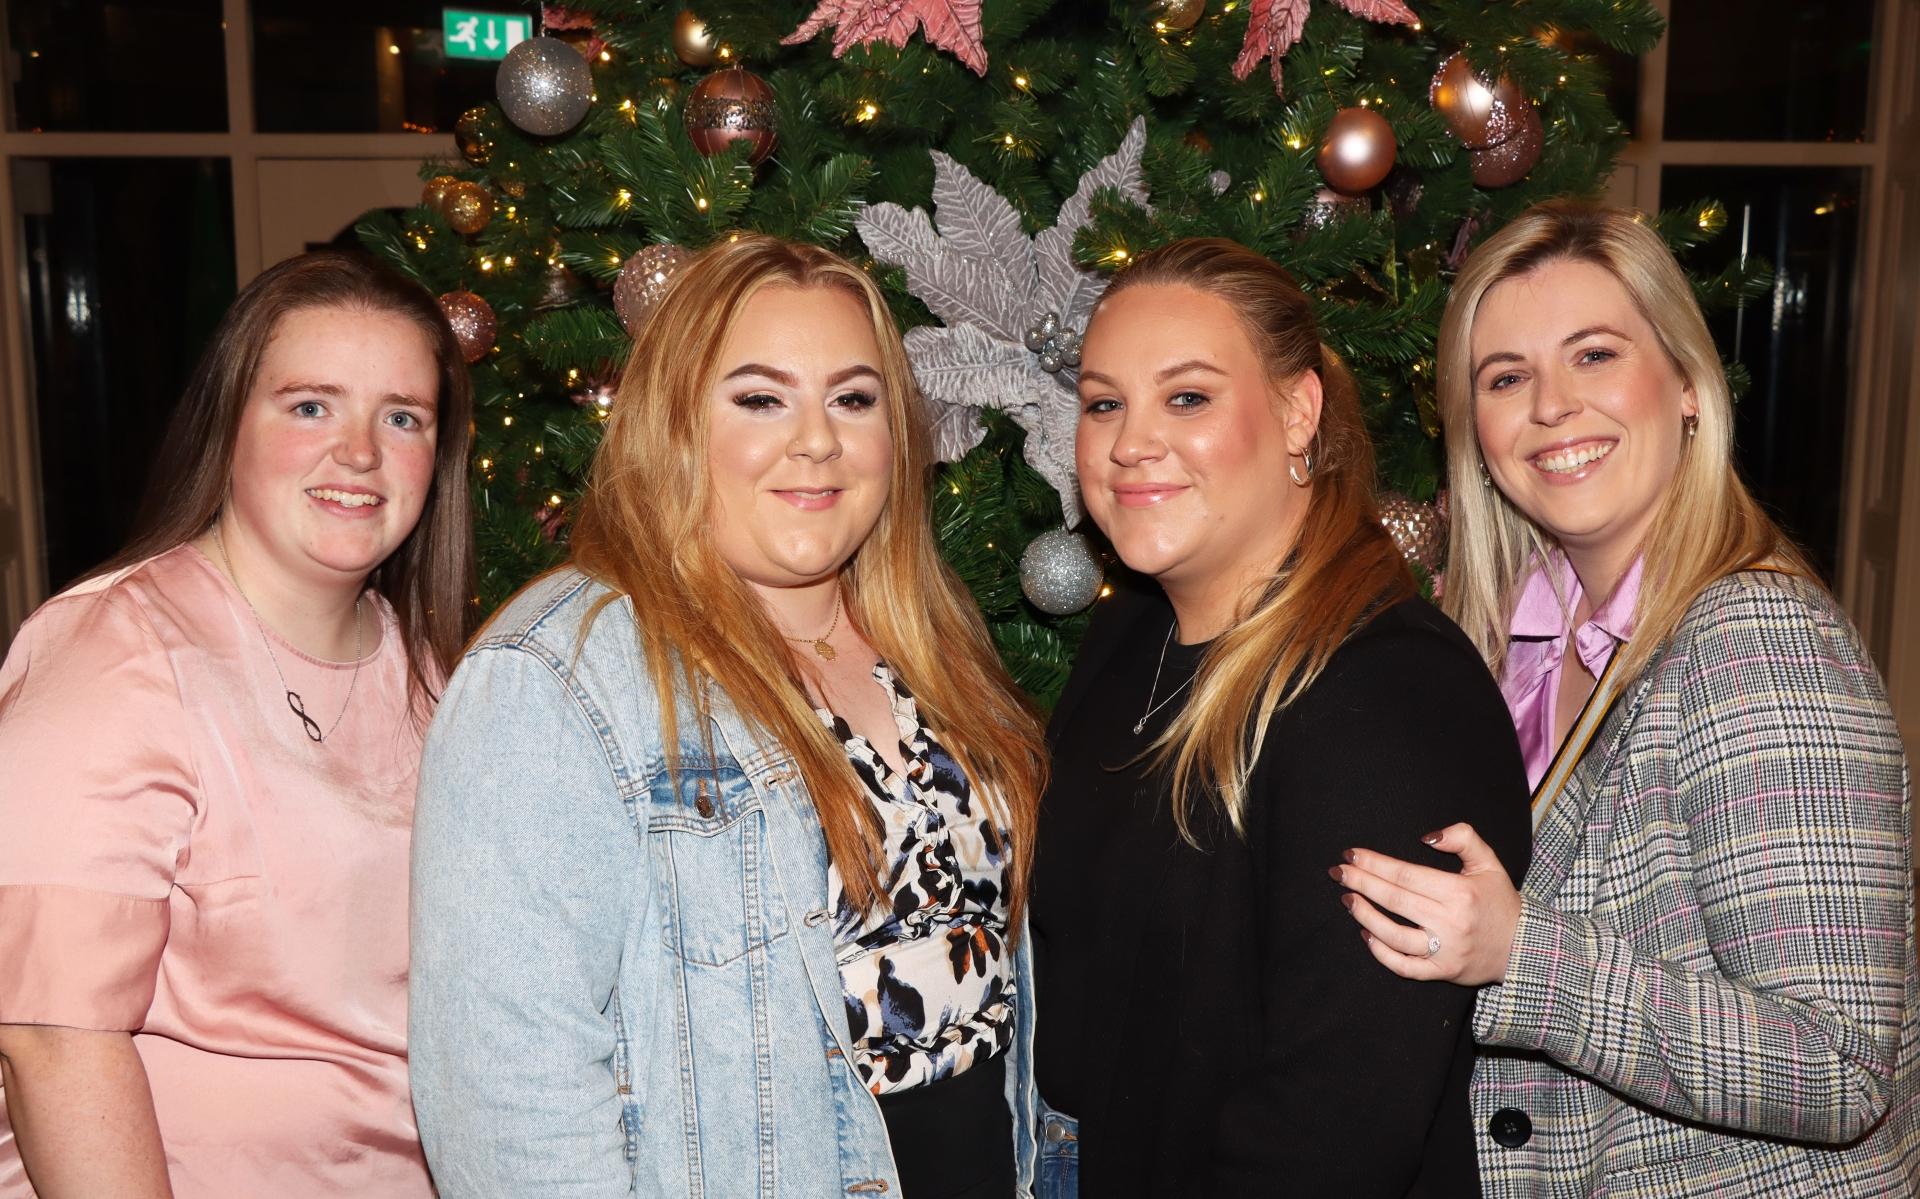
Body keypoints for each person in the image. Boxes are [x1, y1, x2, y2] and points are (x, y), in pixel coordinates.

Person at [408, 234, 1047, 1198]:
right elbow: (509, 1110)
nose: (818, 440)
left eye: (853, 398)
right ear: (674, 423)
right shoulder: (555, 676)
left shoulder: (935, 642)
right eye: (760, 398)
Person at [1335, 201, 1920, 1196]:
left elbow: (1838, 1063)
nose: (1552, 406)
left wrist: (1523, 955)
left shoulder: (1756, 640)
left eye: (1595, 354)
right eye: (1507, 377)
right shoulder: (1508, 641)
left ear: (1688, 384)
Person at [1031, 236, 1532, 1198]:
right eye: (1104, 403)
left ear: (1298, 412)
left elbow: (1340, 1121)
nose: (1131, 442)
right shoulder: (1129, 637)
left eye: (1188, 397)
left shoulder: (1383, 693)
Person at [0, 250, 475, 1198]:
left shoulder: (431, 670)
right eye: (311, 406)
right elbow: (51, 1038)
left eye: (402, 417)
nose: (359, 453)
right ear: (229, 426)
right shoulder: (115, 655)